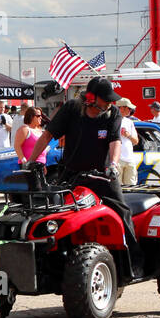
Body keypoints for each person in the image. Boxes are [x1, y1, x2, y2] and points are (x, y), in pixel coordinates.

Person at [24, 76, 138, 245]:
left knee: (122, 211)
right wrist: (31, 161)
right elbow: (47, 135)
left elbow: (115, 141)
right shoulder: (71, 109)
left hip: (103, 175)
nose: (109, 103)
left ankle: (135, 258)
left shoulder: (113, 113)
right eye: (106, 100)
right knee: (54, 211)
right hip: (72, 174)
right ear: (91, 98)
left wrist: (113, 165)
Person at [116, 98, 140, 187]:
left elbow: (136, 141)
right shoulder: (113, 121)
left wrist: (128, 135)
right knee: (118, 187)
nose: (130, 110)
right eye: (128, 108)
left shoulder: (129, 122)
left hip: (130, 160)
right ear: (121, 108)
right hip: (118, 160)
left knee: (131, 187)